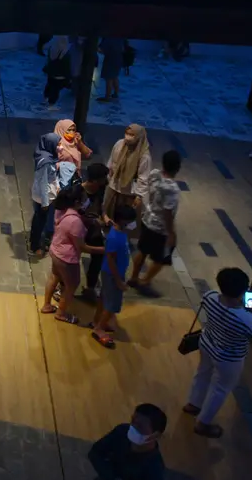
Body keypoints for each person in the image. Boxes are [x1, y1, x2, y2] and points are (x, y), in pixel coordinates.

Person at [183, 267, 252, 438]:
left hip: (206, 344)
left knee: (202, 374)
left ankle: (193, 404)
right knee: (220, 388)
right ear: (243, 290)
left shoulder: (210, 296)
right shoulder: (246, 318)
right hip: (229, 358)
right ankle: (202, 423)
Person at [41, 188, 103, 326]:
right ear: (76, 202)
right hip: (67, 258)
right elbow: (82, 247)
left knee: (54, 277)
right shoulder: (75, 222)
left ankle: (47, 305)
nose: (86, 202)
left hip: (56, 250)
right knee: (71, 286)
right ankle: (61, 314)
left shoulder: (60, 209)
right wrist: (104, 250)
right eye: (84, 199)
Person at [127, 150, 183, 297]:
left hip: (147, 219)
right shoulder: (172, 189)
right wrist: (171, 233)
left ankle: (133, 277)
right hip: (160, 228)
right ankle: (144, 281)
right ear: (177, 167)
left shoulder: (154, 174)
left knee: (142, 250)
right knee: (161, 258)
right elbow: (168, 213)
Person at [92, 204, 136, 349]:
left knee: (105, 298)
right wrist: (118, 281)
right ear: (123, 221)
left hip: (112, 273)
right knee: (112, 305)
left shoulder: (119, 232)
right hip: (112, 275)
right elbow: (111, 260)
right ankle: (99, 328)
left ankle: (97, 320)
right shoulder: (115, 237)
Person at [87, 403, 168, 480]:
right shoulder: (122, 431)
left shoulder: (155, 469)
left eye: (140, 426)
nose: (133, 427)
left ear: (155, 435)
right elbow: (95, 452)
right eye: (132, 421)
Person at [67, 163, 110, 300]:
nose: (106, 181)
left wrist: (105, 217)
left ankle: (90, 287)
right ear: (95, 180)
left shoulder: (100, 188)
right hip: (78, 228)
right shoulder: (77, 192)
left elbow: (101, 206)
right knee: (72, 258)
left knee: (98, 257)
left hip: (93, 229)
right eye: (103, 178)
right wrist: (92, 221)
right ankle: (64, 285)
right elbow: (72, 214)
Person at [104, 124, 151, 224]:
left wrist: (139, 196)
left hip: (130, 192)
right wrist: (109, 176)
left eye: (132, 135)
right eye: (127, 133)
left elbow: (143, 177)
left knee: (124, 220)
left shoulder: (144, 156)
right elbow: (112, 161)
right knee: (109, 212)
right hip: (114, 185)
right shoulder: (119, 144)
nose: (128, 137)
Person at [30, 133, 62, 254]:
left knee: (38, 218)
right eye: (58, 144)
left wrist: (57, 186)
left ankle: (35, 240)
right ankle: (35, 246)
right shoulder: (45, 161)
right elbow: (43, 182)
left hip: (47, 193)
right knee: (40, 222)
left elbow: (53, 176)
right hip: (43, 196)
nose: (60, 146)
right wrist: (45, 202)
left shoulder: (49, 156)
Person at [54, 119, 93, 186]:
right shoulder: (55, 144)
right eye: (69, 130)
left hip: (75, 177)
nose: (71, 132)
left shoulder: (75, 142)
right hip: (60, 179)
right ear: (62, 130)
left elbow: (87, 155)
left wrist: (80, 142)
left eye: (73, 130)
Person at [43, 36, 73, 110]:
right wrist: (69, 77)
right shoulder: (65, 52)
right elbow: (67, 67)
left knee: (49, 85)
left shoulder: (52, 48)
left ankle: (46, 97)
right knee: (55, 90)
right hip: (60, 75)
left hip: (51, 72)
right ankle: (51, 104)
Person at [96, 38, 127, 103]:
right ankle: (115, 93)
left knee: (109, 78)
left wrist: (95, 48)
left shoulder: (108, 39)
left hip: (110, 60)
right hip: (118, 59)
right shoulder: (119, 38)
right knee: (114, 76)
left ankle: (107, 97)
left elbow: (102, 50)